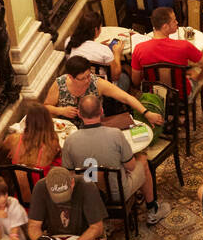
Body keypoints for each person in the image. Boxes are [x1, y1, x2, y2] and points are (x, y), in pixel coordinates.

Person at [62, 94, 171, 225]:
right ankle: (152, 210)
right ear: (101, 111)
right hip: (117, 192)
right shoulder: (115, 135)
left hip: (89, 193)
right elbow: (131, 167)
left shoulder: (70, 141)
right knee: (142, 160)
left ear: (79, 114)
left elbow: (69, 174)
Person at [130, 6, 203, 96]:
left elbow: (135, 81)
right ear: (165, 27)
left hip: (155, 95)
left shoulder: (139, 49)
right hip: (181, 95)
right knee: (195, 71)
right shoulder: (184, 46)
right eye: (174, 21)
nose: (177, 22)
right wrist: (198, 77)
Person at [25, 166, 107, 240]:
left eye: (65, 195)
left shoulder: (87, 186)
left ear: (72, 183)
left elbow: (97, 228)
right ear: (47, 186)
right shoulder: (40, 187)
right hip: (54, 237)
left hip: (84, 236)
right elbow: (33, 226)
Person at [3, 101, 63, 177]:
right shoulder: (51, 142)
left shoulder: (14, 139)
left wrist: (14, 150)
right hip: (40, 185)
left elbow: (4, 146)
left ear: (27, 122)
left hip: (18, 185)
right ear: (48, 122)